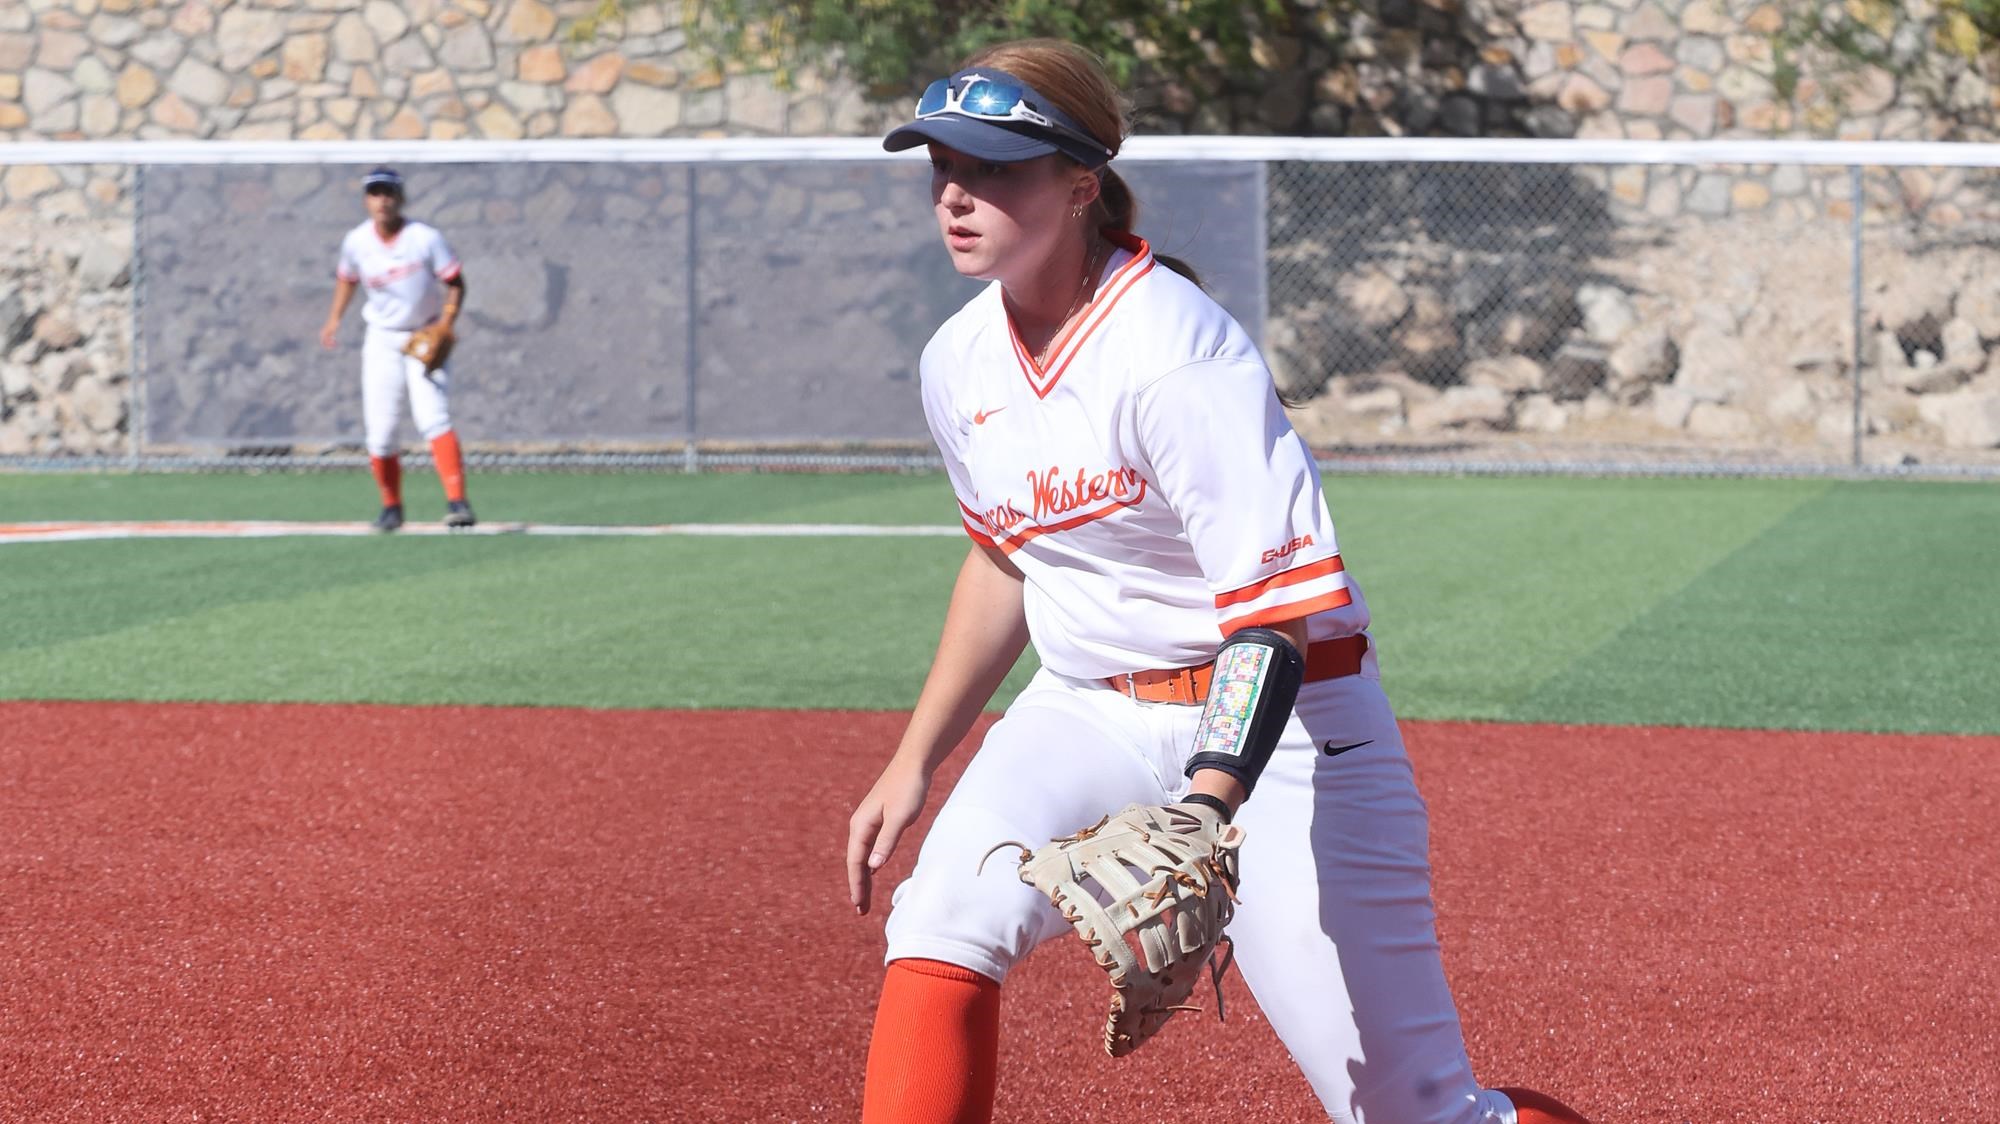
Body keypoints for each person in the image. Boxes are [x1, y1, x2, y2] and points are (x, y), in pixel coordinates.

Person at [845, 39, 1596, 1124]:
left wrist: (1204, 805)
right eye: (940, 166)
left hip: (1288, 729)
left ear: (1078, 182)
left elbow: (1274, 622)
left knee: (1409, 1108)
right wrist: (912, 760)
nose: (956, 195)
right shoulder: (956, 360)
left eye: (994, 168)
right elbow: (1006, 556)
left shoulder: (1175, 353)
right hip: (1085, 709)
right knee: (938, 922)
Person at [319, 166, 475, 531]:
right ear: (365, 200)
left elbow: (455, 283)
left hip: (423, 336)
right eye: (375, 193)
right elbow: (347, 279)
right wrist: (333, 319)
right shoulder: (357, 241)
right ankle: (391, 507)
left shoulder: (424, 238)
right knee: (382, 428)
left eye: (388, 192)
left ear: (400, 198)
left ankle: (458, 502)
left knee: (433, 417)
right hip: (383, 338)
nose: (382, 200)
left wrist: (445, 325)